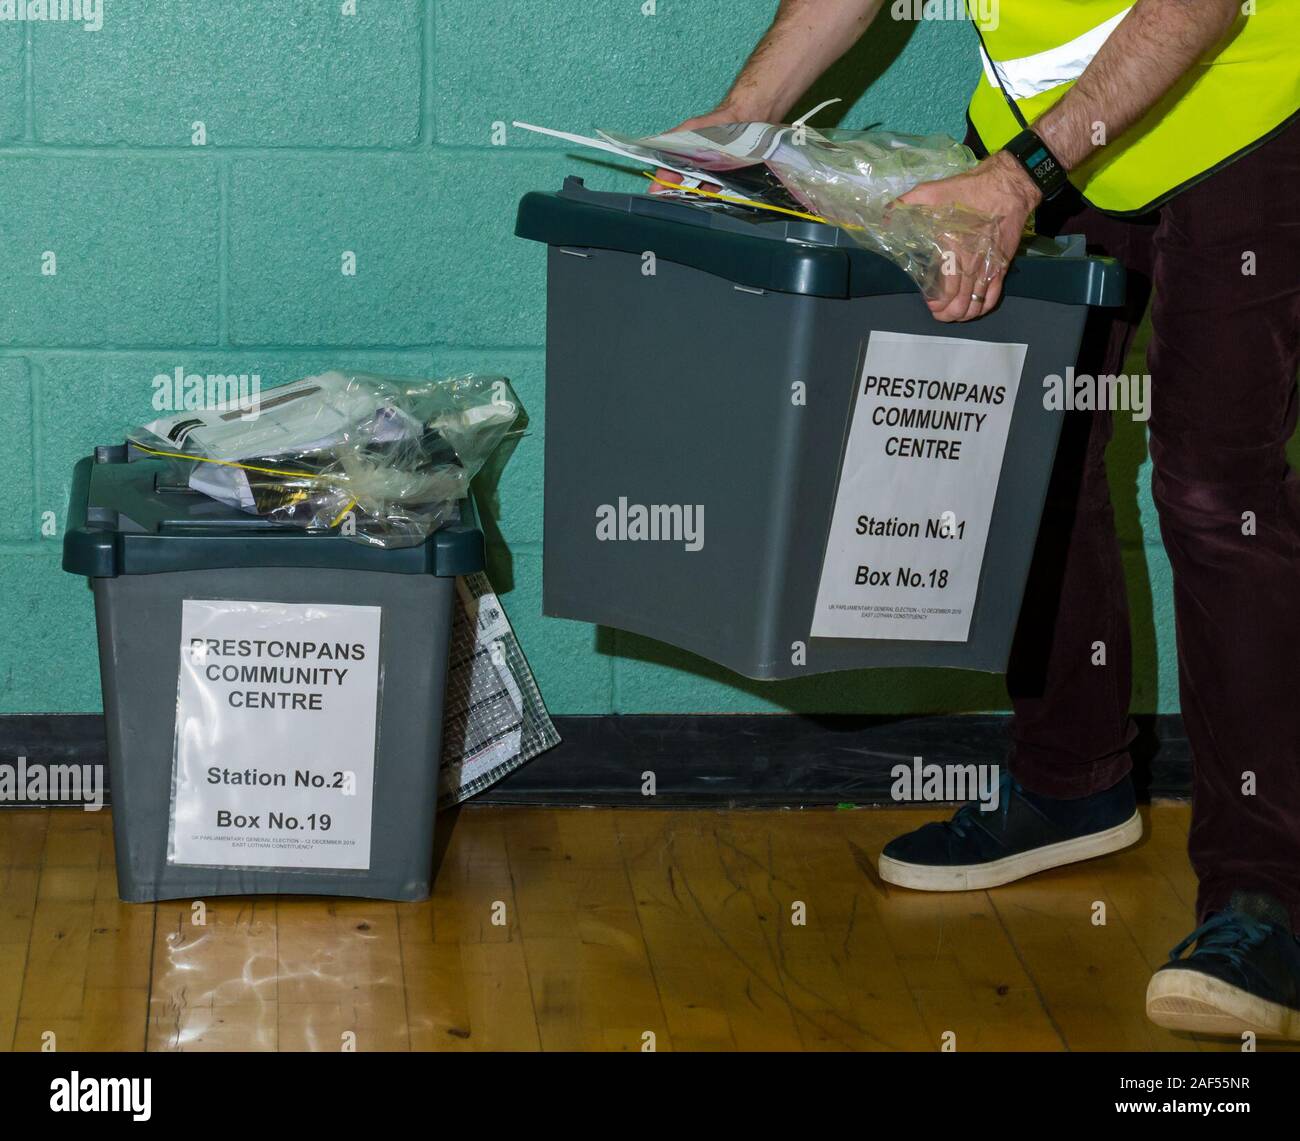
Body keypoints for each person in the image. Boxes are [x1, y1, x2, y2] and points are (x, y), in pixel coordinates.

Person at [665, 0, 1300, 1040]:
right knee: (1022, 452)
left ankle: (1264, 893)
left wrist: (1016, 183)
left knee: (1213, 491)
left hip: (1242, 106)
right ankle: (1071, 783)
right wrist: (743, 118)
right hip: (1051, 118)